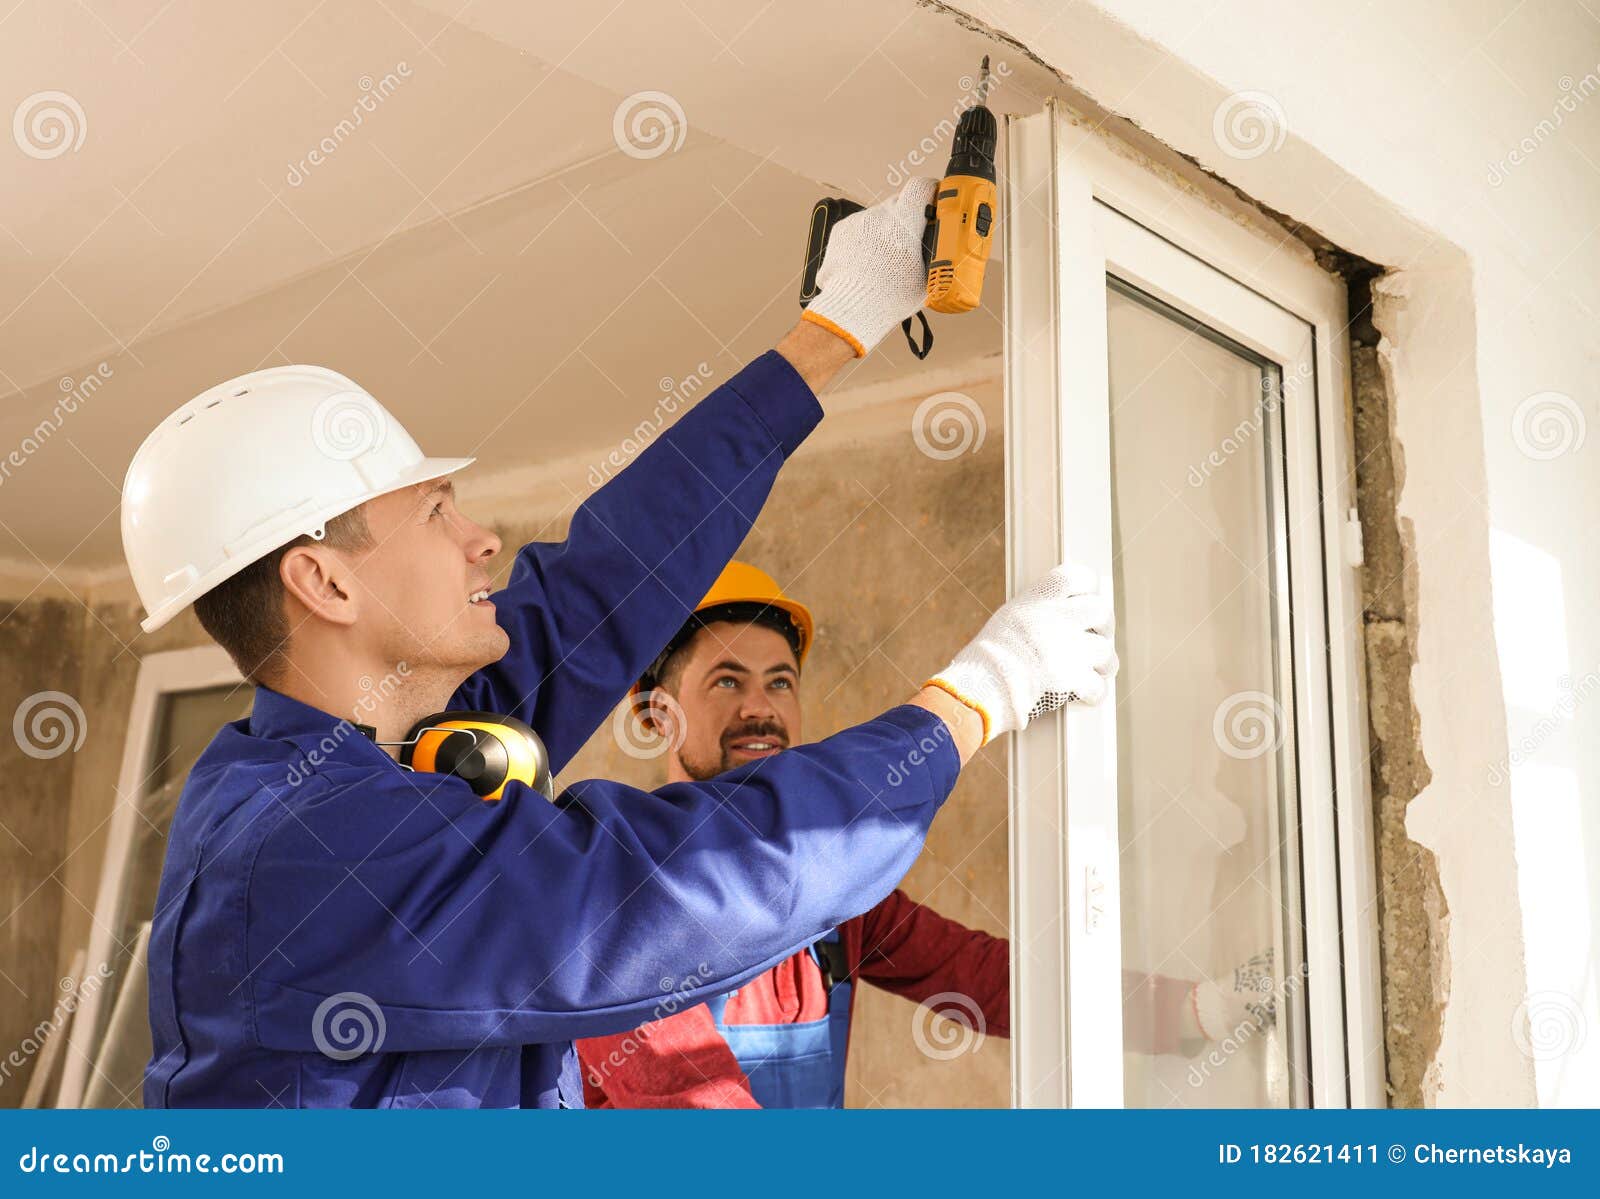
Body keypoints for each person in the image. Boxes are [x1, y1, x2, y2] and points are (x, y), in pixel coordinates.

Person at [116, 179, 1122, 1108]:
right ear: (325, 580)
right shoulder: (314, 844)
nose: (483, 538)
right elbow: (664, 889)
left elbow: (604, 581)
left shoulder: (388, 749)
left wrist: (833, 329)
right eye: (435, 511)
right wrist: (977, 693)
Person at [576, 566, 1276, 1108]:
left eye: (780, 682)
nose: (760, 705)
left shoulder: (832, 898)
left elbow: (983, 978)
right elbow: (686, 1105)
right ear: (656, 713)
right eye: (727, 680)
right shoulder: (614, 891)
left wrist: (1194, 1010)